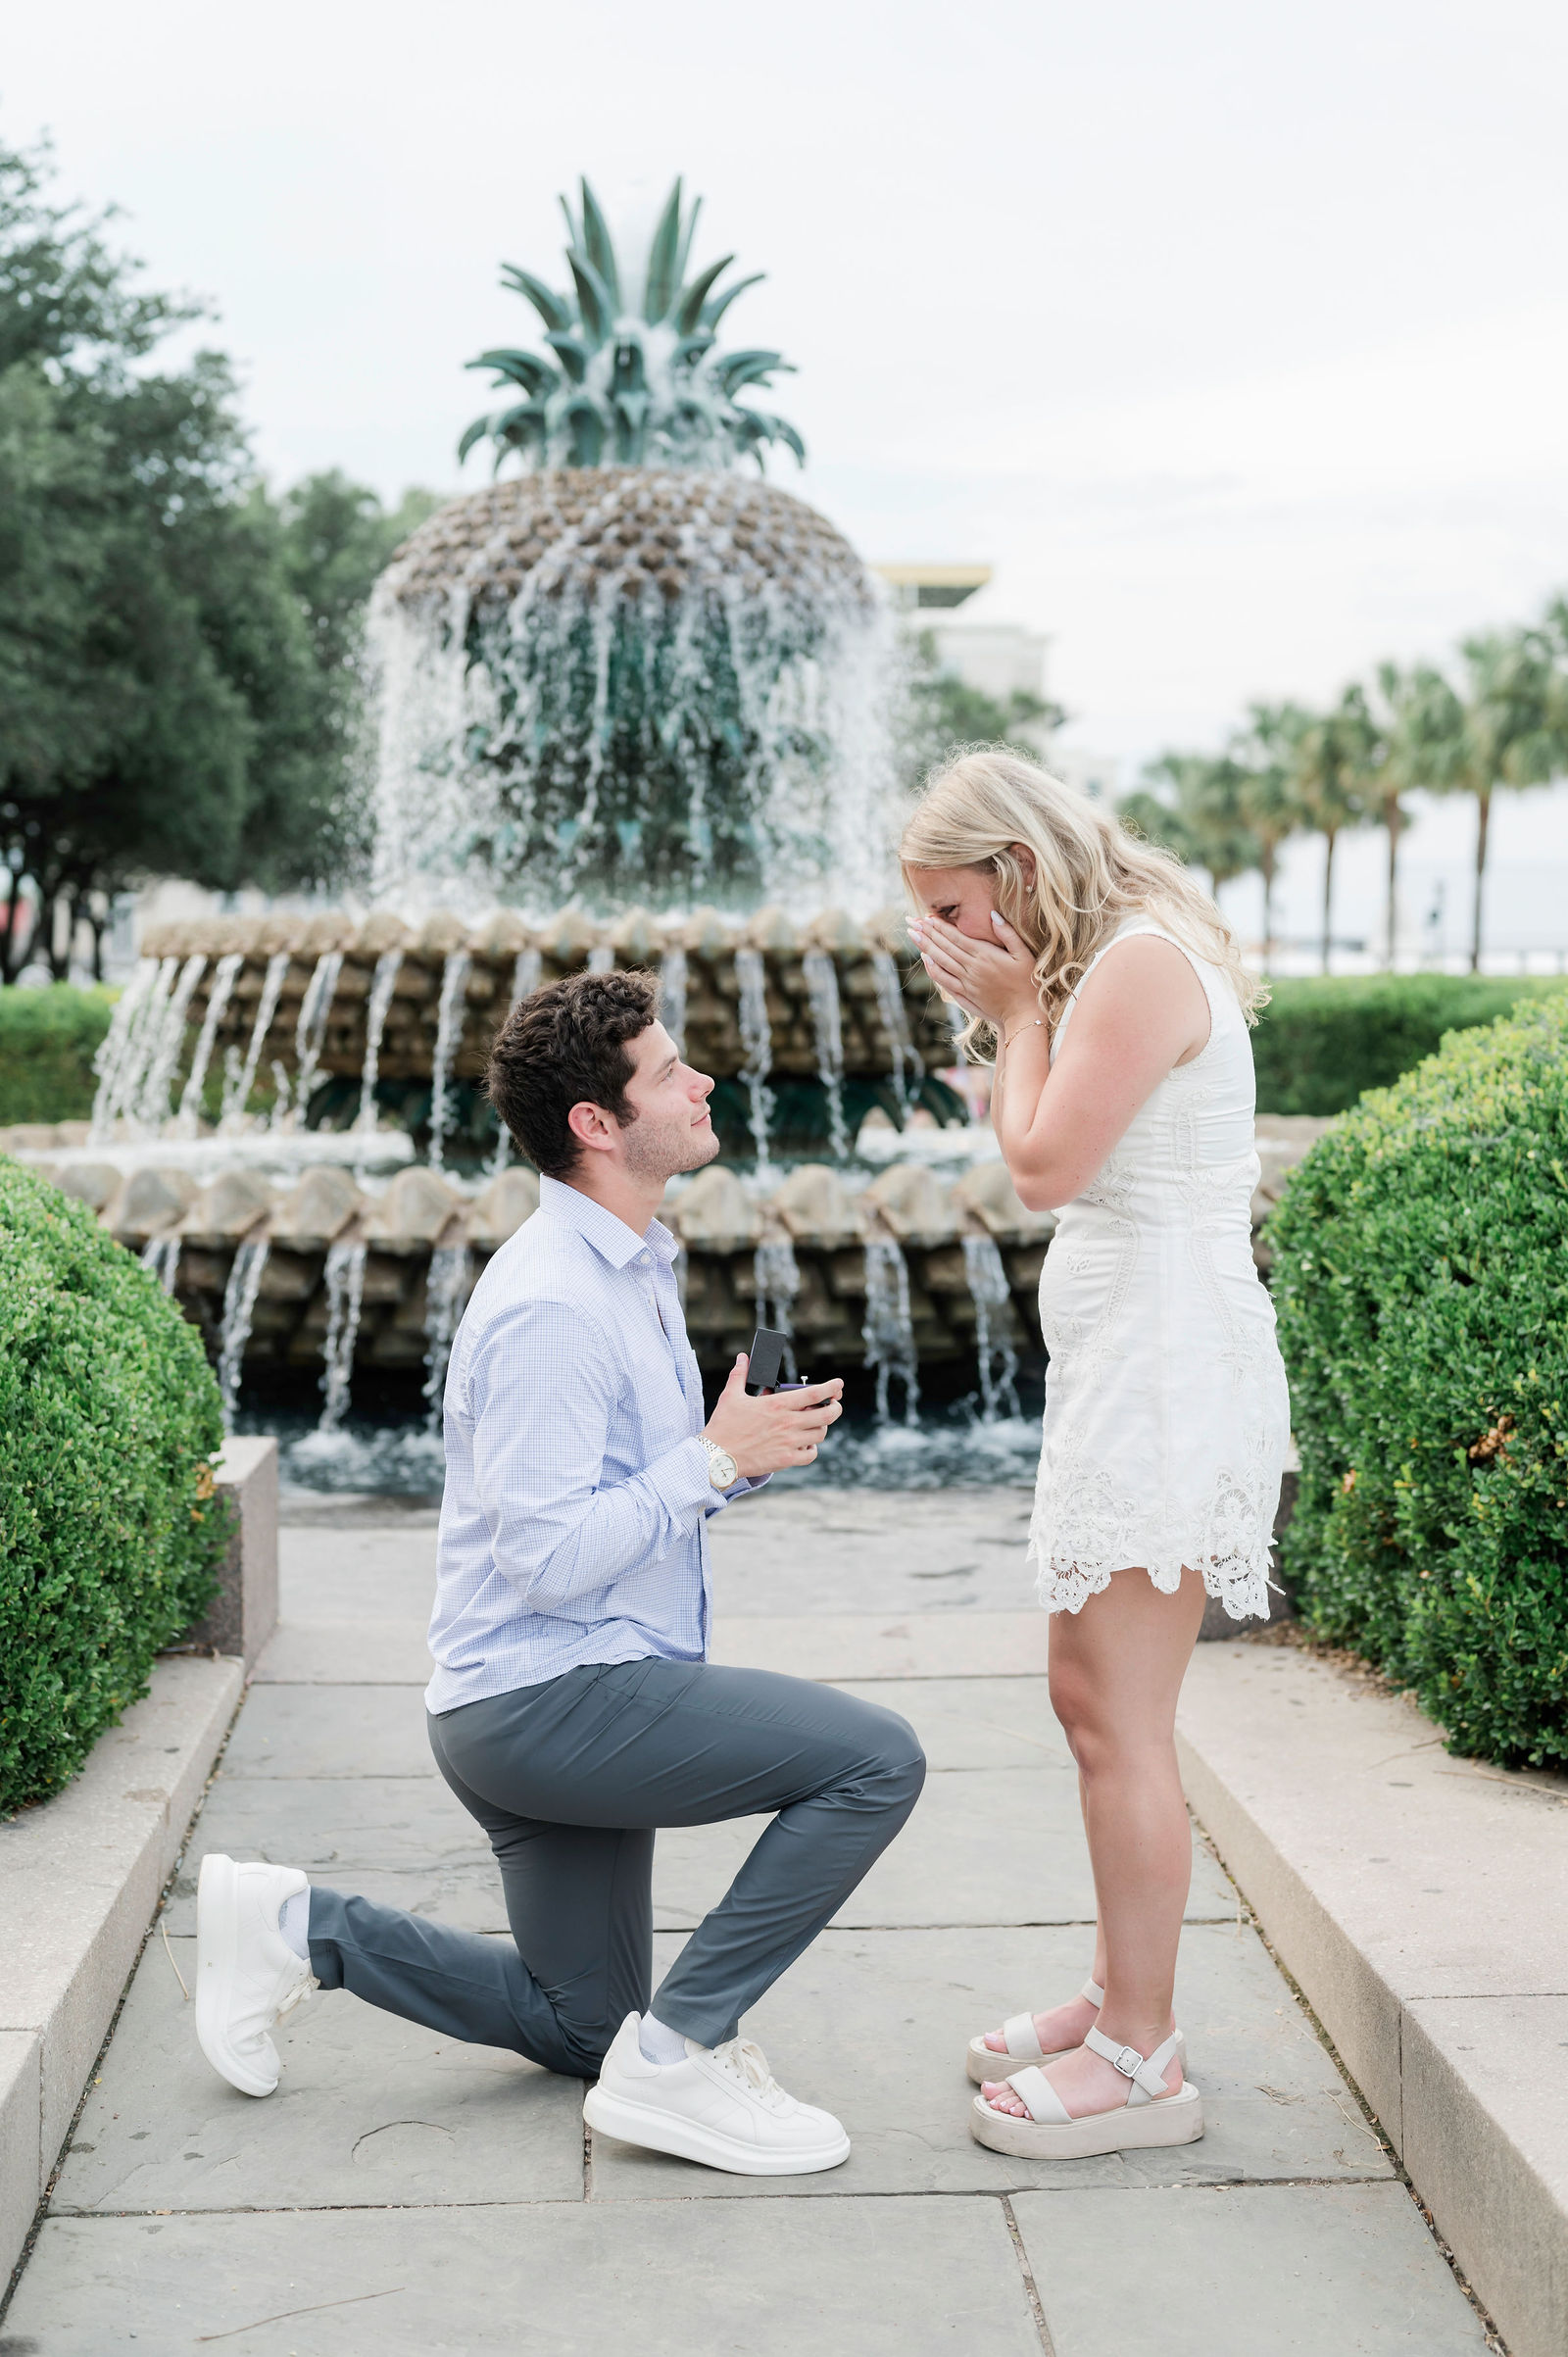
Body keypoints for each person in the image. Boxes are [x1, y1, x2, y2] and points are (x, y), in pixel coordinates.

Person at [193, 968, 925, 2178]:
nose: (702, 1083)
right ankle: (687, 2053)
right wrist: (702, 1459)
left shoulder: (626, 1265)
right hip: (548, 1699)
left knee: (589, 2027)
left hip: (548, 1700)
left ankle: (295, 1926)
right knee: (874, 1758)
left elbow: (598, 1510)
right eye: (668, 1071)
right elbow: (542, 1562)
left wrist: (732, 1460)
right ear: (596, 1122)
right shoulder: (552, 1303)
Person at [903, 750, 1289, 2161]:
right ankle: (1121, 1994)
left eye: (952, 909)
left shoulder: (1126, 966)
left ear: (1015, 869)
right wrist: (1015, 1011)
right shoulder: (1109, 964)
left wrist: (1013, 1019)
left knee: (1120, 1719)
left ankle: (1144, 2058)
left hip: (1166, 1372)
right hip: (1133, 1362)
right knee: (1088, 1701)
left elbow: (1045, 1165)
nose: (940, 944)